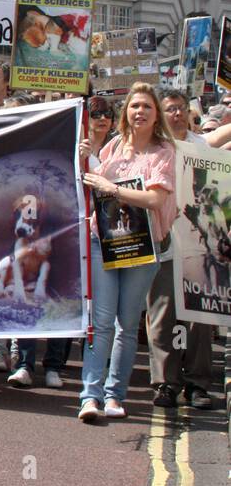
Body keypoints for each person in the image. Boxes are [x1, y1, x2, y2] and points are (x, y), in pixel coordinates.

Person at [77, 82, 176, 422]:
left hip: (142, 246)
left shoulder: (163, 151)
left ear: (155, 114)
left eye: (147, 107)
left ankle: (114, 395)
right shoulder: (113, 147)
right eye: (135, 106)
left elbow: (155, 199)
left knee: (128, 324)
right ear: (126, 112)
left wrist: (113, 188)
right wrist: (83, 159)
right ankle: (89, 396)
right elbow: (93, 188)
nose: (140, 112)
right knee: (101, 322)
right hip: (104, 242)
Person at [146, 89, 214, 409]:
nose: (176, 114)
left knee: (199, 319)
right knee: (165, 317)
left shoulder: (202, 147)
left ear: (189, 112)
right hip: (162, 244)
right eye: (170, 109)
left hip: (199, 247)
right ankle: (166, 383)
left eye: (181, 109)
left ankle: (196, 383)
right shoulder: (153, 148)